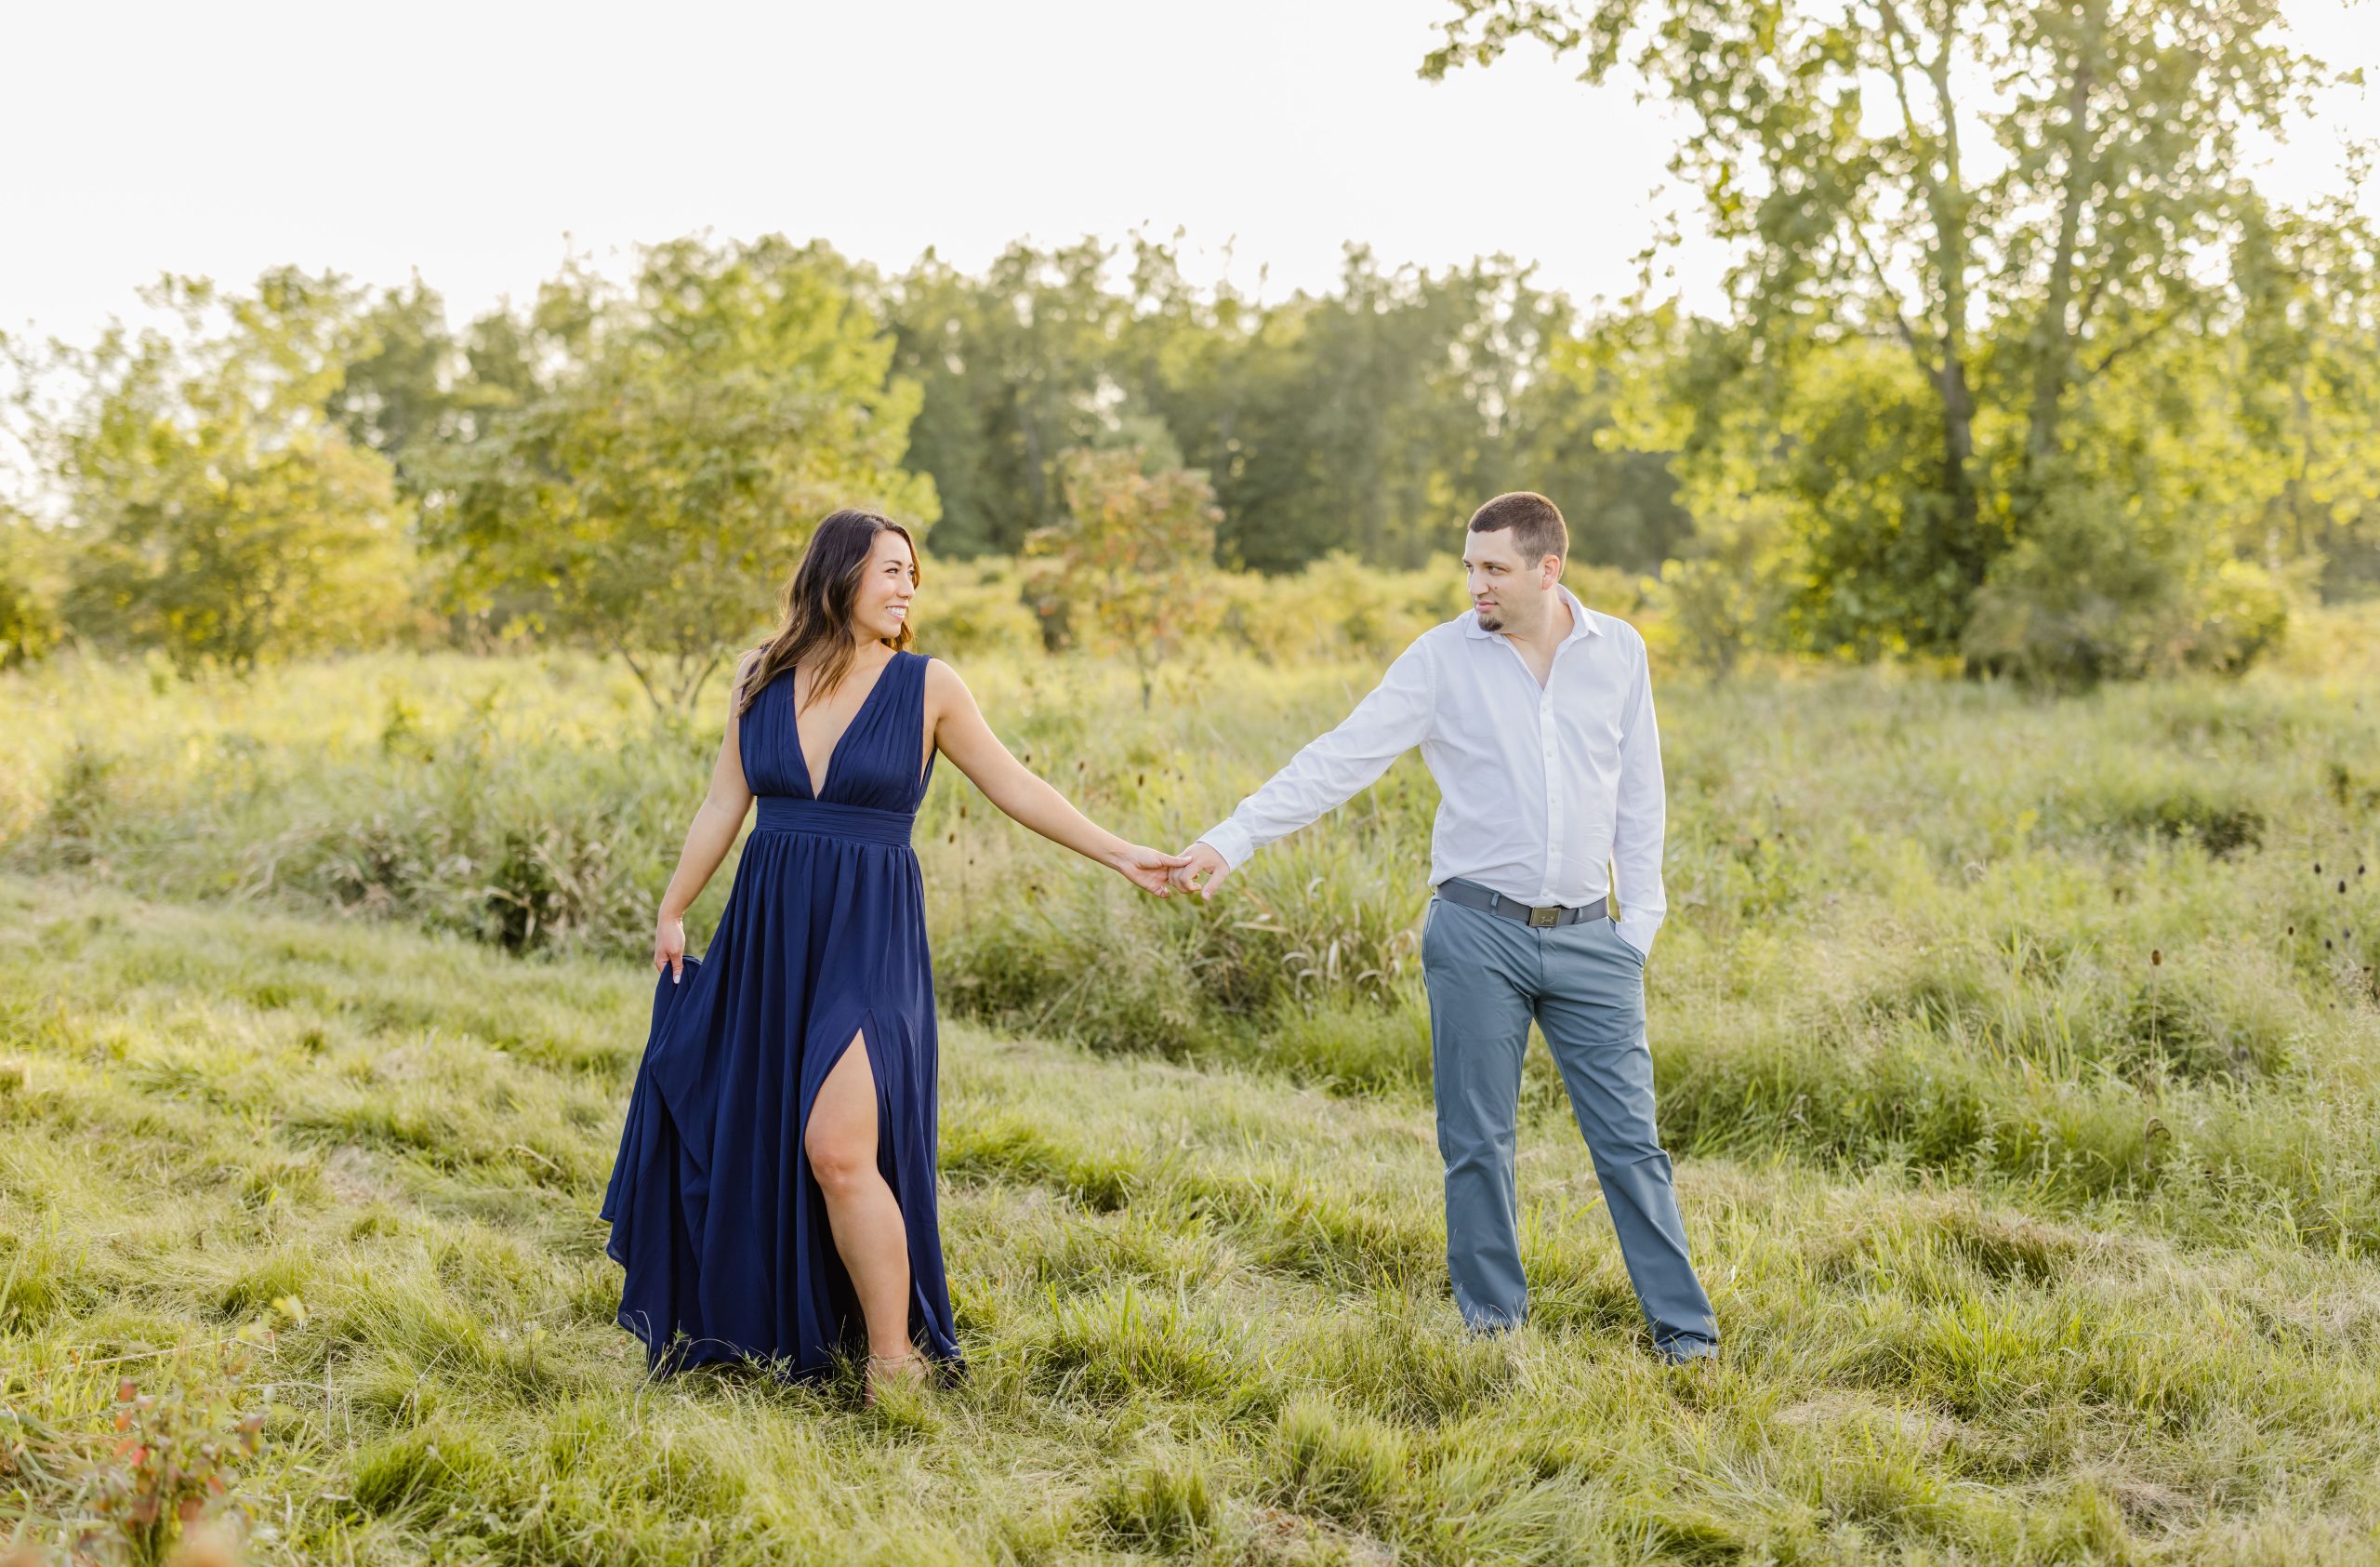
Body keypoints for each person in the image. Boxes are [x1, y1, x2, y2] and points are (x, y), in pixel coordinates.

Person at [601, 508, 1186, 1401]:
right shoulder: (760, 674)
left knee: (838, 1147)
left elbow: (1014, 784)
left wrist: (1120, 851)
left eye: (914, 572)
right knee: (755, 1128)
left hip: (870, 939)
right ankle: (783, 1323)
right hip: (770, 933)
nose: (909, 586)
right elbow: (724, 803)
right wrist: (675, 905)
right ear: (838, 575)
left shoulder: (929, 685)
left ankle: (891, 1360)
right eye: (891, 570)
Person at [1170, 492, 1719, 1362]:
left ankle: (1687, 1334)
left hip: (1592, 939)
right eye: (1469, 566)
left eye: (1494, 568)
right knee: (1477, 1142)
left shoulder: (1619, 651)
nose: (1476, 585)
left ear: (1549, 569)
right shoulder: (1439, 660)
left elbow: (1640, 792)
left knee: (1631, 1145)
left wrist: (1638, 924)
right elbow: (1338, 758)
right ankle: (1494, 1329)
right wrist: (1231, 839)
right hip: (1476, 933)